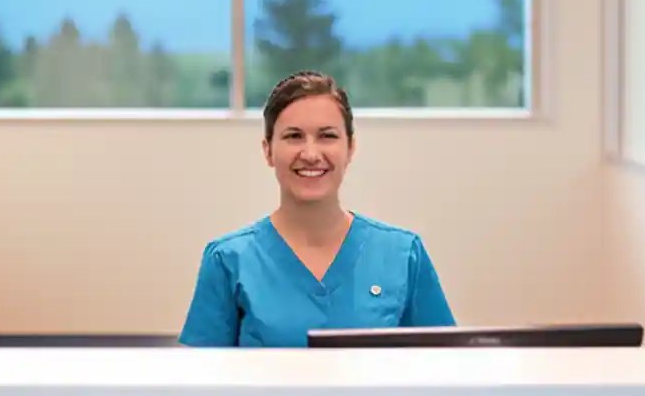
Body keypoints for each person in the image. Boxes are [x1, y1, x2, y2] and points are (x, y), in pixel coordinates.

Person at [178, 71, 456, 347]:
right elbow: (198, 383)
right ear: (268, 151)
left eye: (327, 136)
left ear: (350, 148)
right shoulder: (228, 260)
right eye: (294, 136)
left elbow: (448, 370)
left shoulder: (403, 255)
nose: (311, 154)